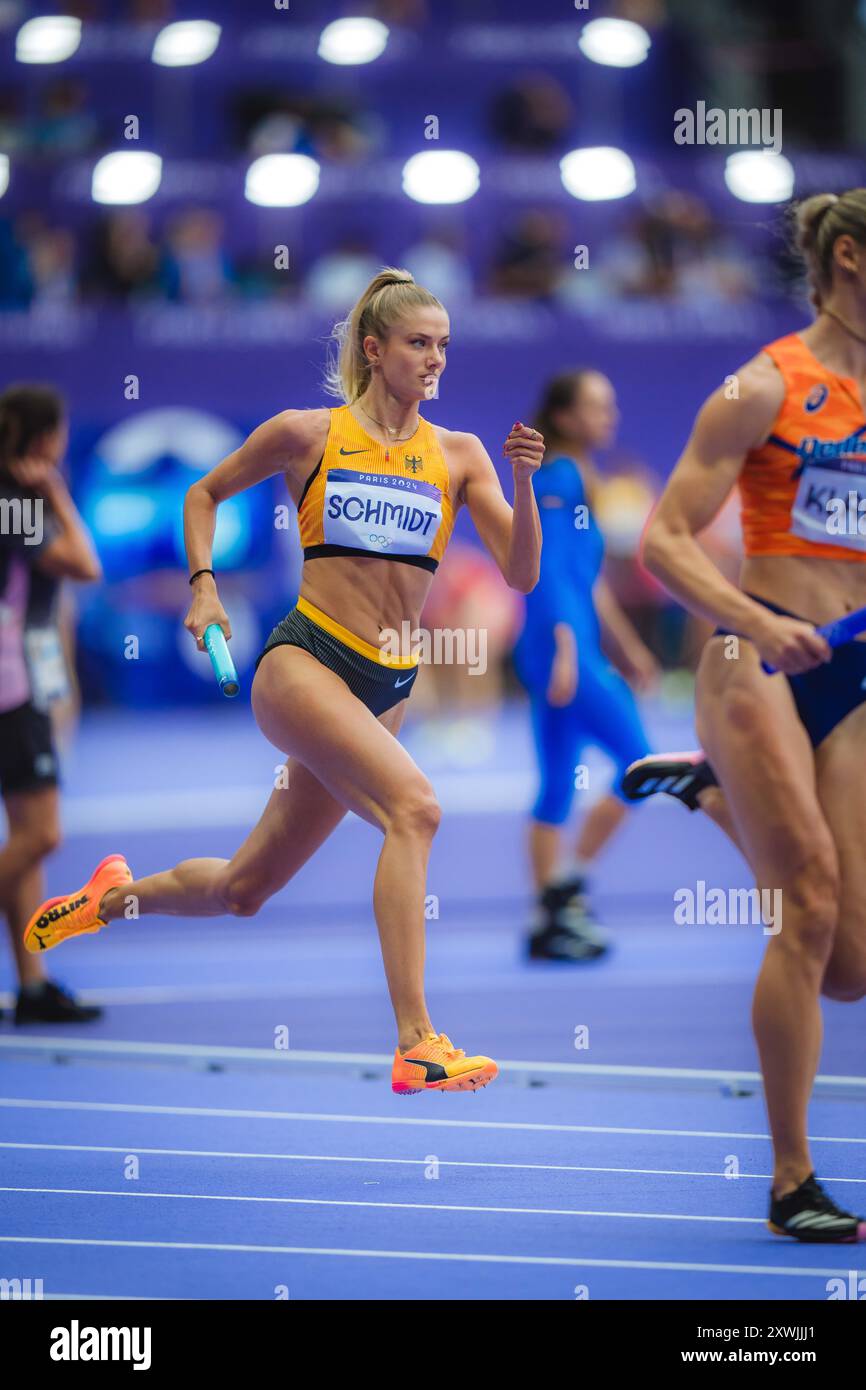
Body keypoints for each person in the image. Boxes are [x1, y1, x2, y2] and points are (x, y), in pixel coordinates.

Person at [23, 268, 545, 1096]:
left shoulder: (460, 455)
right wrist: (202, 585)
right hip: (303, 664)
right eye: (418, 343)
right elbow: (203, 492)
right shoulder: (308, 433)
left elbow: (520, 575)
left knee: (245, 888)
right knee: (417, 810)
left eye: (444, 345)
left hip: (388, 688)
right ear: (374, 351)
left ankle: (109, 898)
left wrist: (521, 484)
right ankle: (417, 1040)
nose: (435, 359)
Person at [623, 191, 866, 1242]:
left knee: (851, 968)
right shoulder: (759, 383)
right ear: (847, 257)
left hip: (850, 673)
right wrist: (748, 622)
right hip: (750, 655)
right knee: (803, 902)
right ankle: (788, 1177)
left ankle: (713, 794)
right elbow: (662, 539)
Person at [513, 370, 658, 961]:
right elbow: (545, 570)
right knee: (641, 765)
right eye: (600, 406)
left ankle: (549, 916)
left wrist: (627, 646)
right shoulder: (562, 477)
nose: (612, 416)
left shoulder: (577, 477)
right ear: (567, 417)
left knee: (554, 784)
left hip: (564, 644)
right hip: (561, 648)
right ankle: (567, 888)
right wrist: (571, 650)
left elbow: (586, 580)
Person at [0, 383, 103, 1024]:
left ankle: (32, 984)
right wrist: (57, 494)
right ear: (45, 441)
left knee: (24, 834)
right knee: (41, 834)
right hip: (10, 685)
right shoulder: (15, 503)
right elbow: (85, 564)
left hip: (22, 676)